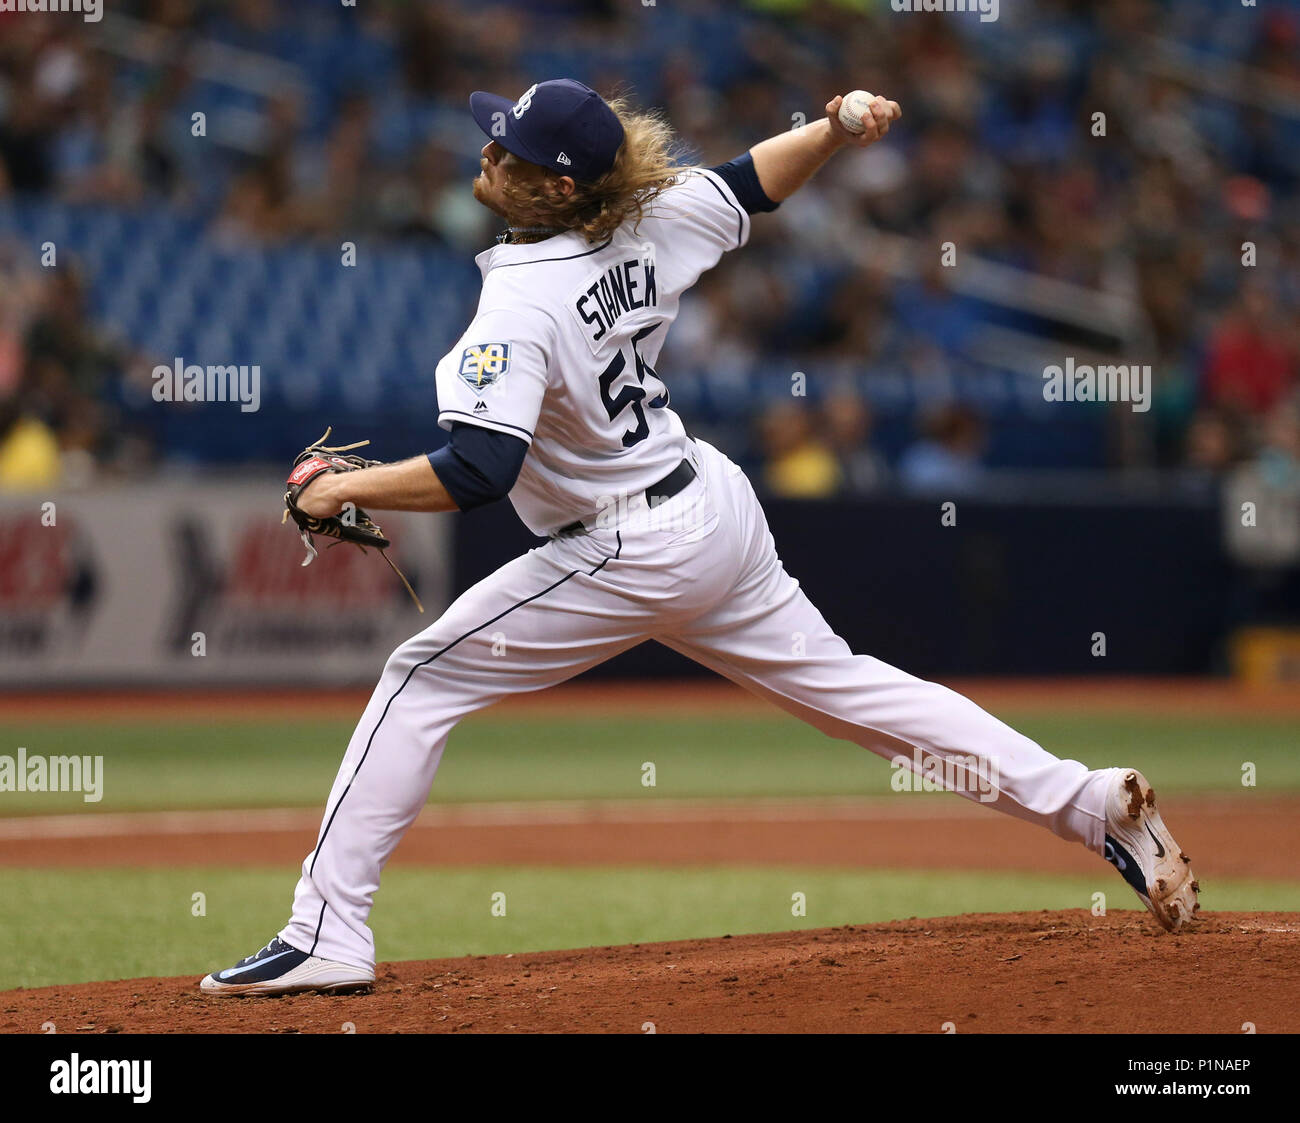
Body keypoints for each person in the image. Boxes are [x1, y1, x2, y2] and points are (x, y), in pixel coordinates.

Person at [201, 80, 1198, 997]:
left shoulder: (521, 296)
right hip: (707, 509)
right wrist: (837, 129)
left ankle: (326, 933)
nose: (485, 152)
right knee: (854, 690)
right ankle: (1087, 801)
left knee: (421, 678)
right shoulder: (644, 217)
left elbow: (476, 472)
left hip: (624, 545)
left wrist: (339, 489)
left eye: (504, 147)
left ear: (554, 185)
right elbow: (749, 183)